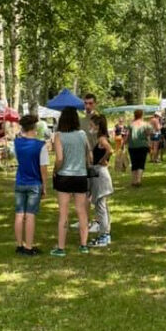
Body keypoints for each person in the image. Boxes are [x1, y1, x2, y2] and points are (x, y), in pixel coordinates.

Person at [52, 106, 93, 257]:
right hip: (80, 176)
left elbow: (60, 158)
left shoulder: (58, 136)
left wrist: (55, 170)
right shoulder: (82, 134)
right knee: (81, 211)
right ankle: (83, 245)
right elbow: (90, 156)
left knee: (63, 213)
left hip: (64, 176)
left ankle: (61, 248)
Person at [14, 115, 49, 256]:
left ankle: (19, 244)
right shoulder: (40, 146)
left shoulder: (17, 143)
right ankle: (29, 246)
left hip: (20, 181)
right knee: (30, 215)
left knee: (19, 214)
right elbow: (43, 169)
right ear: (34, 127)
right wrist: (44, 186)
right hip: (34, 183)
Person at [87, 114, 114, 247]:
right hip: (99, 173)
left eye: (92, 125)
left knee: (100, 206)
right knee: (102, 205)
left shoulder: (102, 139)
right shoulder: (100, 139)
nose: (90, 128)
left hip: (100, 175)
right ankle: (106, 233)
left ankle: (104, 235)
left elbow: (110, 150)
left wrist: (103, 160)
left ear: (97, 126)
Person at [125, 109, 151, 187]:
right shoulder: (146, 124)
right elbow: (148, 134)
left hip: (132, 146)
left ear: (134, 115)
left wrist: (124, 143)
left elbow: (128, 135)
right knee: (141, 162)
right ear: (142, 115)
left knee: (134, 163)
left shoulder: (131, 124)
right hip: (143, 145)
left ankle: (134, 180)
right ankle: (139, 180)